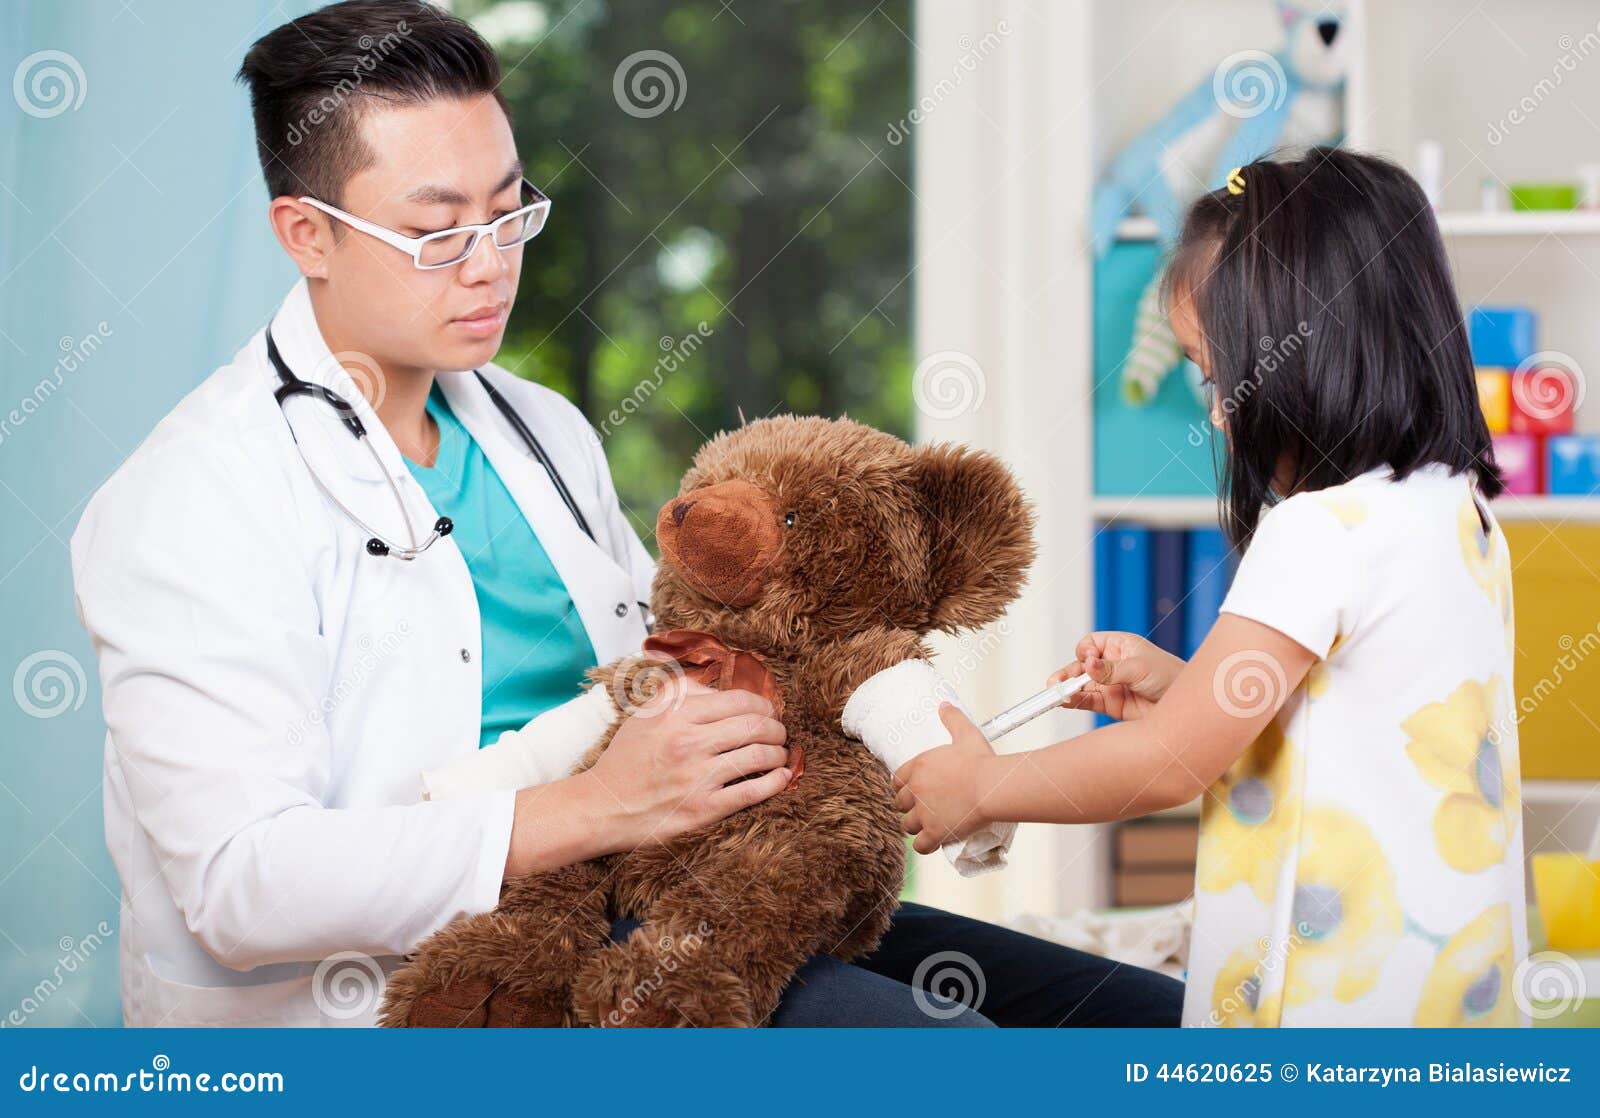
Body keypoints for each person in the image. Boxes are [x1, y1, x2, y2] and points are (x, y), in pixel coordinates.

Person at [71, 0, 1180, 1027]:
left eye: (510, 214)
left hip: (657, 886)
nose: (491, 265)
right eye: (439, 231)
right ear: (305, 235)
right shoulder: (189, 500)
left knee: (1132, 1015)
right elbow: (235, 882)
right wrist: (601, 805)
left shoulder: (540, 431)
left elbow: (660, 666)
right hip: (420, 988)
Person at [897, 148, 1527, 1028]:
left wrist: (983, 786)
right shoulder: (1453, 513)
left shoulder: (1317, 530)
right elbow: (1332, 724)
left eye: (1216, 371)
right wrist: (1180, 687)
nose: (1219, 409)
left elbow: (1174, 762)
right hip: (1450, 1002)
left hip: (1325, 1011)